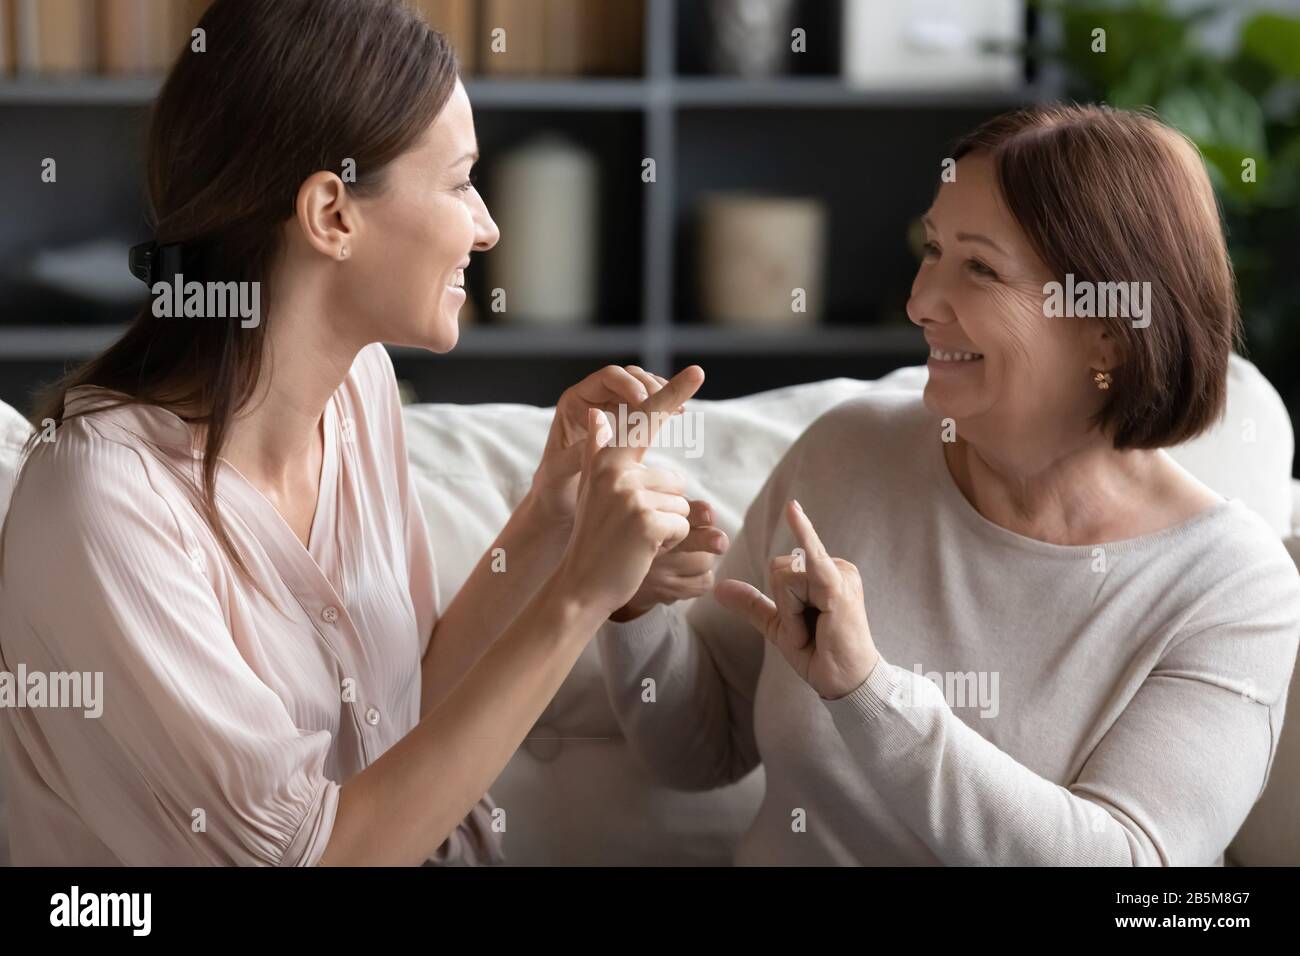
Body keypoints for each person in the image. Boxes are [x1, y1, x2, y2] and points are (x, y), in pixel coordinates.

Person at [0, 0, 721, 866]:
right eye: (459, 181)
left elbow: (401, 712)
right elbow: (323, 857)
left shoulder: (358, 389)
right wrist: (580, 598)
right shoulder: (106, 501)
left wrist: (553, 517)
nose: (487, 226)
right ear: (332, 214)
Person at [599, 104, 1300, 865]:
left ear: (1108, 326)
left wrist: (868, 692)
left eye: (979, 268)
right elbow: (702, 753)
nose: (920, 302)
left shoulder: (1234, 588)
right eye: (932, 250)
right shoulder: (847, 452)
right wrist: (633, 602)